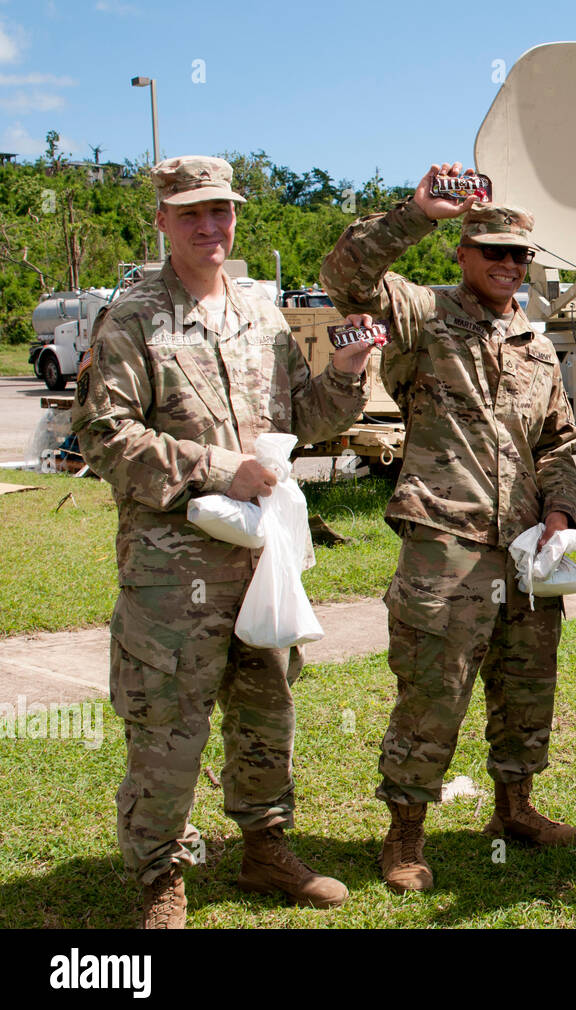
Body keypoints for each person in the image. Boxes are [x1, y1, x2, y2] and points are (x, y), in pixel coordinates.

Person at [72, 155, 370, 928]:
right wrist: (213, 469)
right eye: (193, 213)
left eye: (222, 212)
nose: (211, 226)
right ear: (164, 220)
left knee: (267, 709)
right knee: (168, 726)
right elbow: (102, 436)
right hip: (173, 572)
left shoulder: (261, 313)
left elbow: (302, 420)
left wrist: (343, 374)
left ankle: (266, 849)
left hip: (261, 560)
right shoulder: (133, 316)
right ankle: (161, 879)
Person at [320, 161, 576, 894]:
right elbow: (347, 276)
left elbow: (559, 443)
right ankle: (404, 833)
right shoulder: (425, 317)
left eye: (517, 255)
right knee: (434, 691)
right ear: (463, 253)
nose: (505, 264)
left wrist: (561, 509)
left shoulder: (536, 346)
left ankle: (515, 809)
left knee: (527, 685)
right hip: (446, 542)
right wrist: (417, 214)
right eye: (491, 250)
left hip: (528, 553)